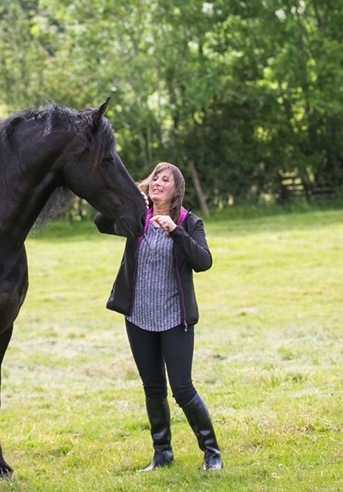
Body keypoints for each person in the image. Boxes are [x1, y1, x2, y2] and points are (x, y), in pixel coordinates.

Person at [94, 162, 222, 472]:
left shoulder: (189, 222)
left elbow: (203, 261)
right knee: (152, 388)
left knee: (182, 388)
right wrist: (128, 199)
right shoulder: (137, 217)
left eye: (165, 180)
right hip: (138, 317)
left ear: (176, 191)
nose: (157, 182)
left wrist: (175, 231)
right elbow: (101, 222)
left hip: (175, 319)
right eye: (155, 178)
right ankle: (162, 453)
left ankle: (211, 453)